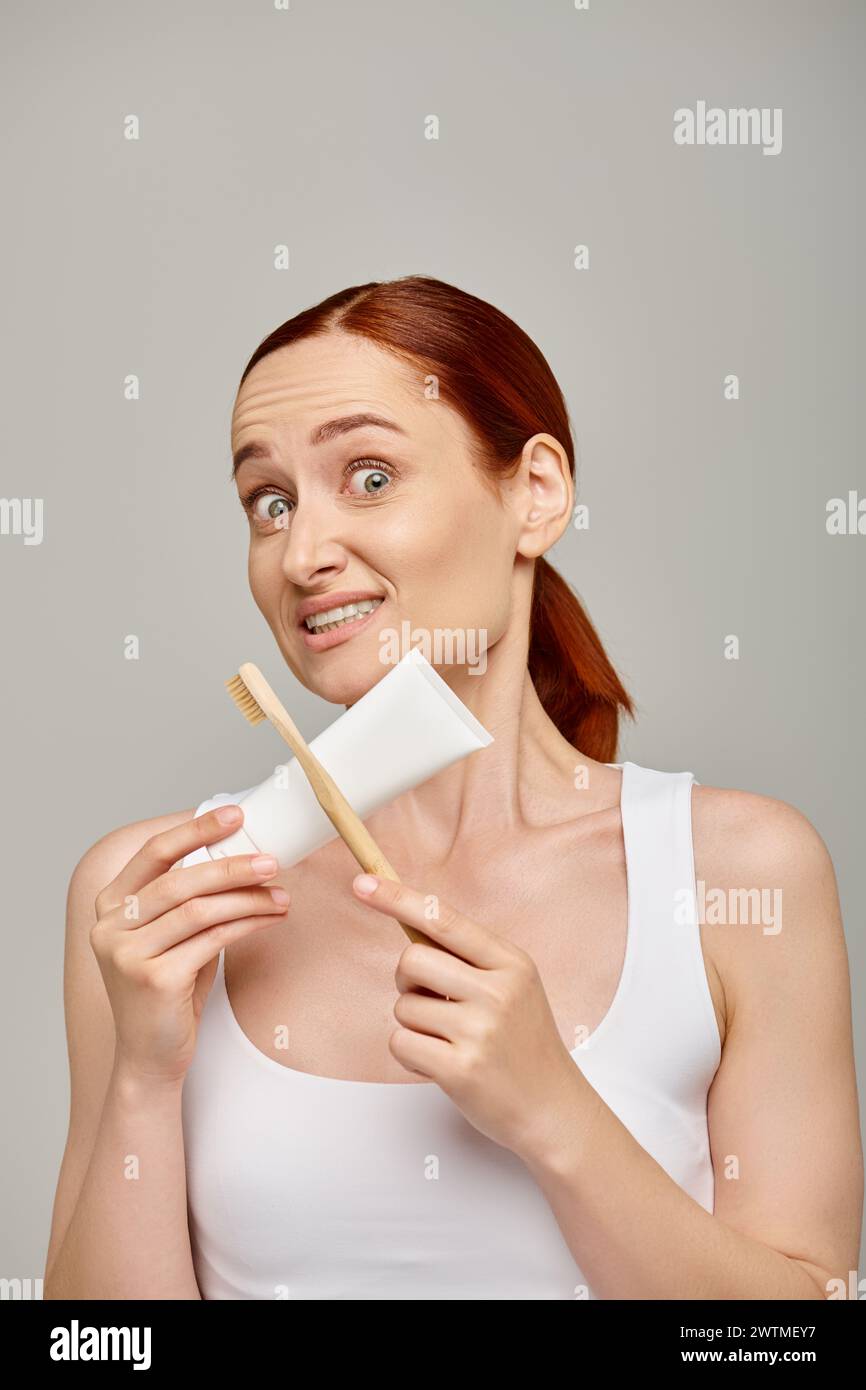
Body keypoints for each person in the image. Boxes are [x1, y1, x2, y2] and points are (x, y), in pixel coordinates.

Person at [44, 276, 862, 1299]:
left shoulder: (740, 872)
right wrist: (140, 1074)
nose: (302, 554)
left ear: (535, 494)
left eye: (371, 476)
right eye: (270, 500)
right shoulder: (147, 896)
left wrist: (554, 1114)